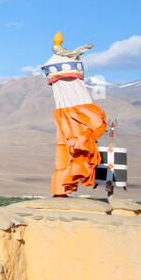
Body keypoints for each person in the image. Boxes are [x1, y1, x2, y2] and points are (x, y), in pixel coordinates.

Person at [41, 32, 106, 196]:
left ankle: (63, 186)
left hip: (72, 112)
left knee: (74, 147)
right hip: (67, 113)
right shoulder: (69, 112)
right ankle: (62, 187)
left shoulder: (76, 111)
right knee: (69, 149)